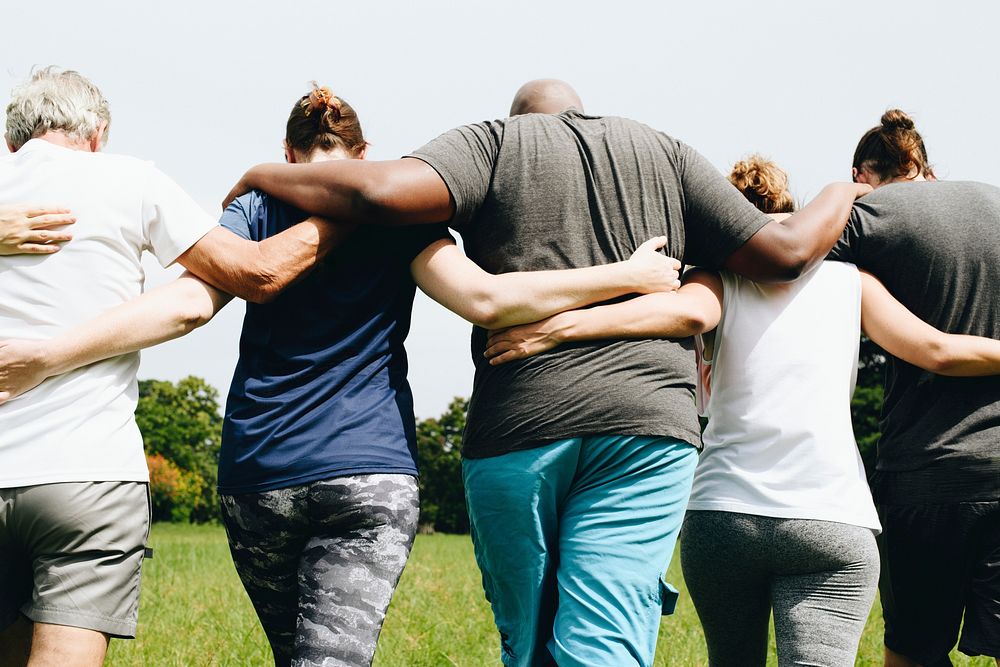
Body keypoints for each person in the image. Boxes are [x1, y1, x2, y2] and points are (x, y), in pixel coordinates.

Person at [0, 81, 682, 667]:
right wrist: (626, 276)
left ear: (289, 154)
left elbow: (190, 302)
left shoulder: (254, 210)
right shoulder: (400, 220)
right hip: (368, 473)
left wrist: (49, 351)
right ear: (364, 155)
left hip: (259, 473)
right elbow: (487, 300)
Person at [218, 78, 872, 666]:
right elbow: (784, 253)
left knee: (526, 642)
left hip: (519, 422)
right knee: (605, 639)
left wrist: (260, 172)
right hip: (644, 426)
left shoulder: (493, 144)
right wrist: (843, 189)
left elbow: (375, 192)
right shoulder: (666, 153)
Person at [483, 154, 1000, 666]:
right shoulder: (852, 280)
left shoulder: (715, 278)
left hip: (722, 515)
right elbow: (938, 352)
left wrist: (556, 328)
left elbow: (686, 314)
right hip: (830, 515)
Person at [0, 67, 404, 667]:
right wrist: (358, 203)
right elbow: (247, 276)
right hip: (85, 471)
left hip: (248, 468)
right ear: (97, 133)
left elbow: (207, 294)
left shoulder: (251, 207)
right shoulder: (130, 179)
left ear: (12, 141)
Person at [834, 110, 1000, 667]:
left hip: (927, 470)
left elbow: (782, 262)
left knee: (912, 653)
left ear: (861, 174)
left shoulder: (868, 215)